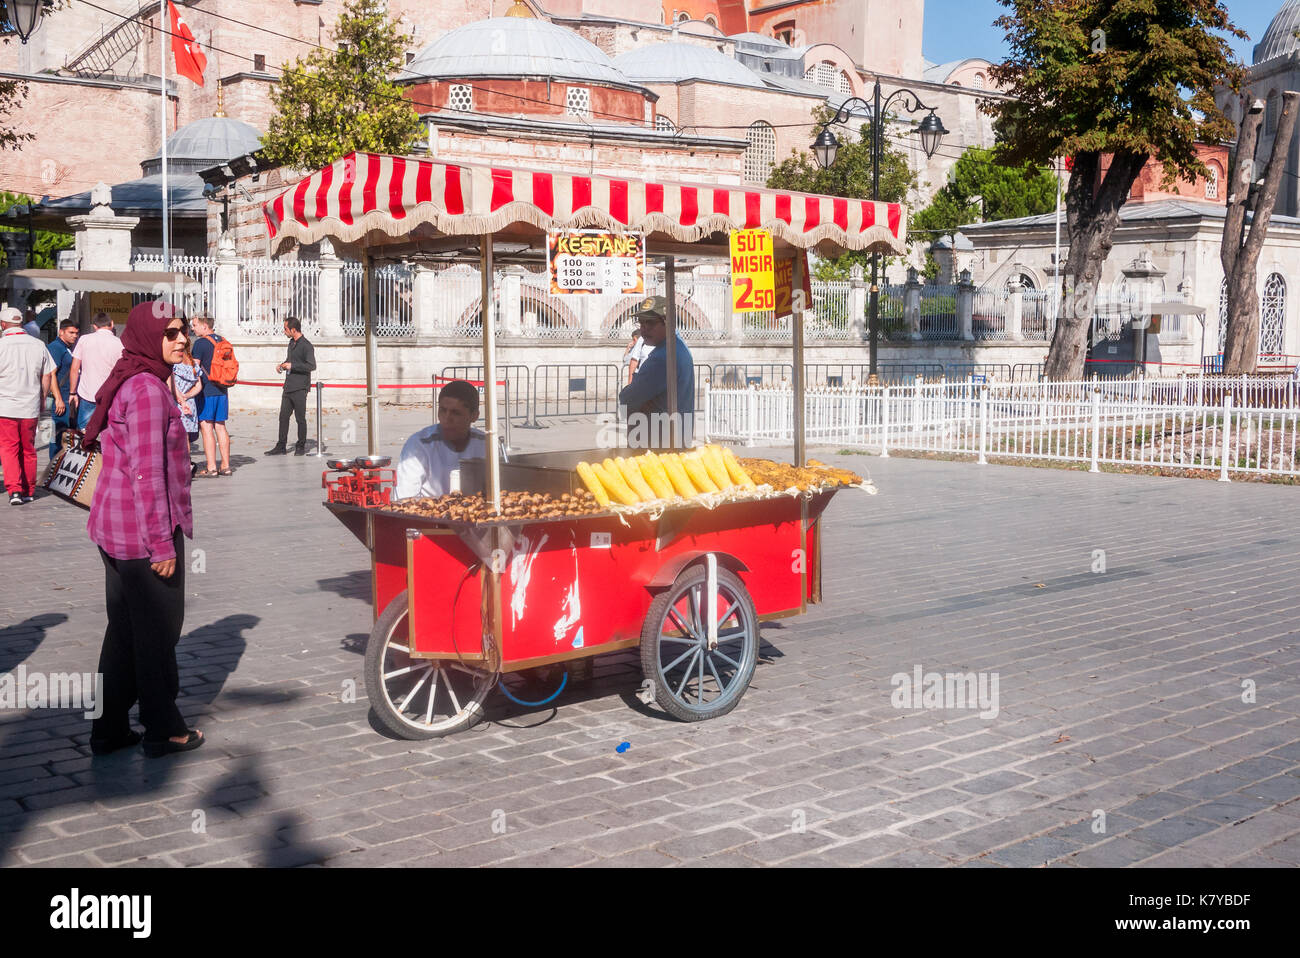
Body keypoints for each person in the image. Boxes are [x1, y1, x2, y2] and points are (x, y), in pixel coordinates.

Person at [84, 301, 202, 758]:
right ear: (147, 335)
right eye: (170, 333)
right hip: (141, 533)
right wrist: (161, 546)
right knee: (157, 632)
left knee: (125, 631)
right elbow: (148, 475)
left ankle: (108, 728)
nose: (179, 340)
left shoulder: (131, 375)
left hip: (112, 527)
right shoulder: (149, 390)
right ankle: (163, 728)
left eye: (183, 332)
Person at [617, 296, 695, 447]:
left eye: (651, 323)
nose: (644, 329)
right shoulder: (678, 347)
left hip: (657, 443)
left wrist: (627, 394)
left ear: (667, 322)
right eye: (641, 322)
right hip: (673, 437)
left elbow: (628, 399)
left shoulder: (663, 357)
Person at [0, 305, 57, 505]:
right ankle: (28, 490)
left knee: (9, 449)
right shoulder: (38, 344)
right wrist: (42, 398)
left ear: (3, 324)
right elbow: (48, 374)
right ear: (21, 323)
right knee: (28, 449)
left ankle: (14, 490)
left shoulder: (1, 346)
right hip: (30, 406)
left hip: (5, 407)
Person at [395, 379, 487, 499]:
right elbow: (405, 499)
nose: (447, 418)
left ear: (474, 416)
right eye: (443, 411)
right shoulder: (418, 445)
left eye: (456, 413)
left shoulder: (486, 445)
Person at [266, 316, 316, 456]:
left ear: (293, 330)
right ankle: (281, 446)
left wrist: (293, 366)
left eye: (286, 329)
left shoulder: (306, 345)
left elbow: (311, 365)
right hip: (288, 386)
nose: (284, 331)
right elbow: (290, 360)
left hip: (300, 387)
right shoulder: (291, 343)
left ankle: (301, 445)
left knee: (300, 418)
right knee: (283, 417)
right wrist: (282, 365)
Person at [189, 315, 233, 477]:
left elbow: (194, 368)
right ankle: (226, 466)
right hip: (222, 389)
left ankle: (212, 467)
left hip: (206, 390)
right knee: (220, 426)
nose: (192, 328)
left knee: (206, 427)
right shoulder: (223, 340)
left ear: (204, 326)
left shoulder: (200, 343)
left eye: (194, 325)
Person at [69, 312, 123, 430]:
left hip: (87, 394)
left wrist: (72, 393)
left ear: (94, 326)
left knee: (84, 433)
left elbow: (74, 369)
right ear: (112, 324)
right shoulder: (119, 344)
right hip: (111, 396)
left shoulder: (84, 340)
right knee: (109, 432)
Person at [170, 335, 204, 471]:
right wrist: (188, 395)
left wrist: (180, 397)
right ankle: (186, 462)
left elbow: (172, 384)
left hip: (178, 403)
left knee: (179, 437)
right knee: (186, 437)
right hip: (191, 404)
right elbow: (199, 386)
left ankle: (184, 466)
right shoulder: (192, 363)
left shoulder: (174, 364)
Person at [46, 319, 79, 459]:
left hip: (67, 398)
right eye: (71, 332)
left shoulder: (66, 348)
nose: (74, 336)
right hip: (60, 400)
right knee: (56, 436)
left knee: (66, 436)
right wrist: (58, 399)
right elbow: (51, 373)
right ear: (61, 332)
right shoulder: (56, 347)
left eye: (76, 333)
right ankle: (52, 469)